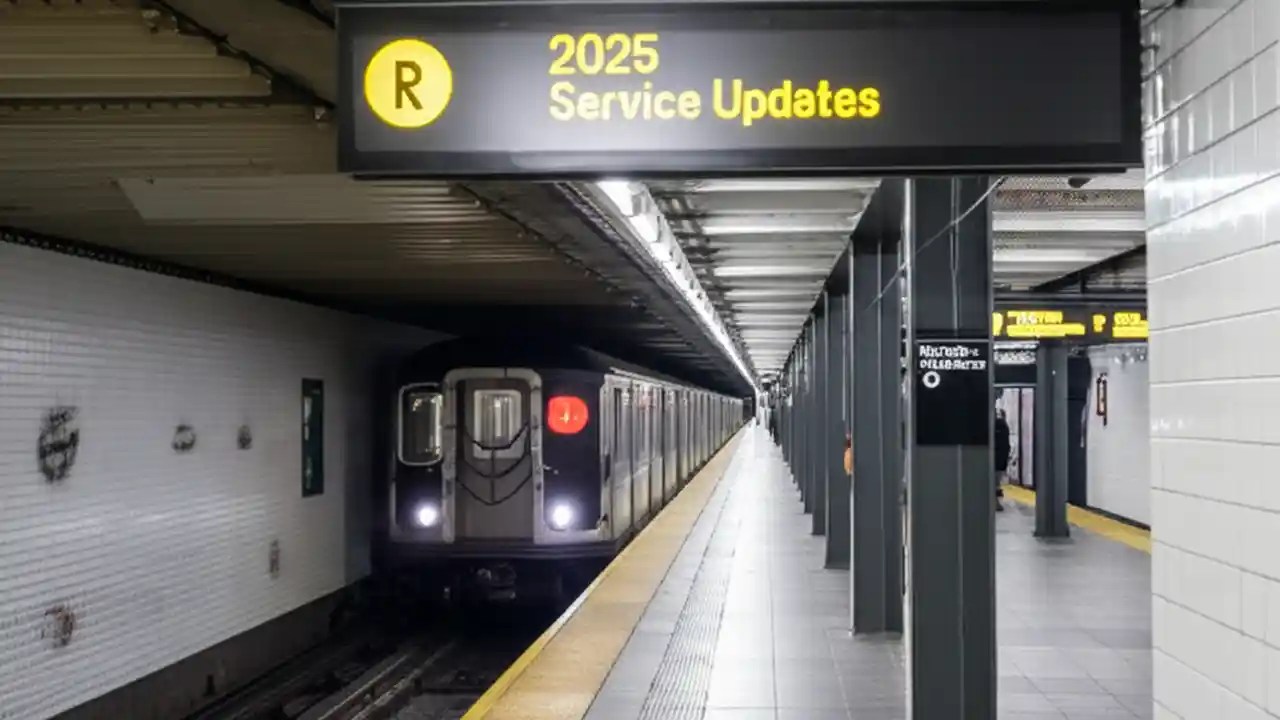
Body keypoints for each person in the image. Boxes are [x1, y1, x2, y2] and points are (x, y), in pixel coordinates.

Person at [994, 407, 1011, 512]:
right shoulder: (1003, 425)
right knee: (996, 481)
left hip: (997, 460)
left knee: (994, 481)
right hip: (1000, 460)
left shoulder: (997, 425)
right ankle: (995, 502)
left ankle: (995, 502)